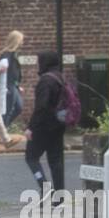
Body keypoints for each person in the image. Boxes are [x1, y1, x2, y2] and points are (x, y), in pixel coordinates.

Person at [24, 50, 67, 204]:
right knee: (56, 161)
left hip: (43, 127)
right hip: (59, 125)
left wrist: (31, 128)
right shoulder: (61, 78)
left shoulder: (45, 81)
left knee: (31, 157)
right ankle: (60, 197)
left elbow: (41, 107)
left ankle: (45, 188)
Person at [0, 31, 25, 128]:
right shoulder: (7, 54)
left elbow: (14, 72)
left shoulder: (14, 54)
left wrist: (18, 85)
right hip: (8, 85)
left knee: (19, 108)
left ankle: (4, 128)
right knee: (7, 109)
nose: (22, 42)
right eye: (21, 40)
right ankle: (3, 132)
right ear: (16, 41)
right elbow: (5, 70)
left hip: (14, 85)